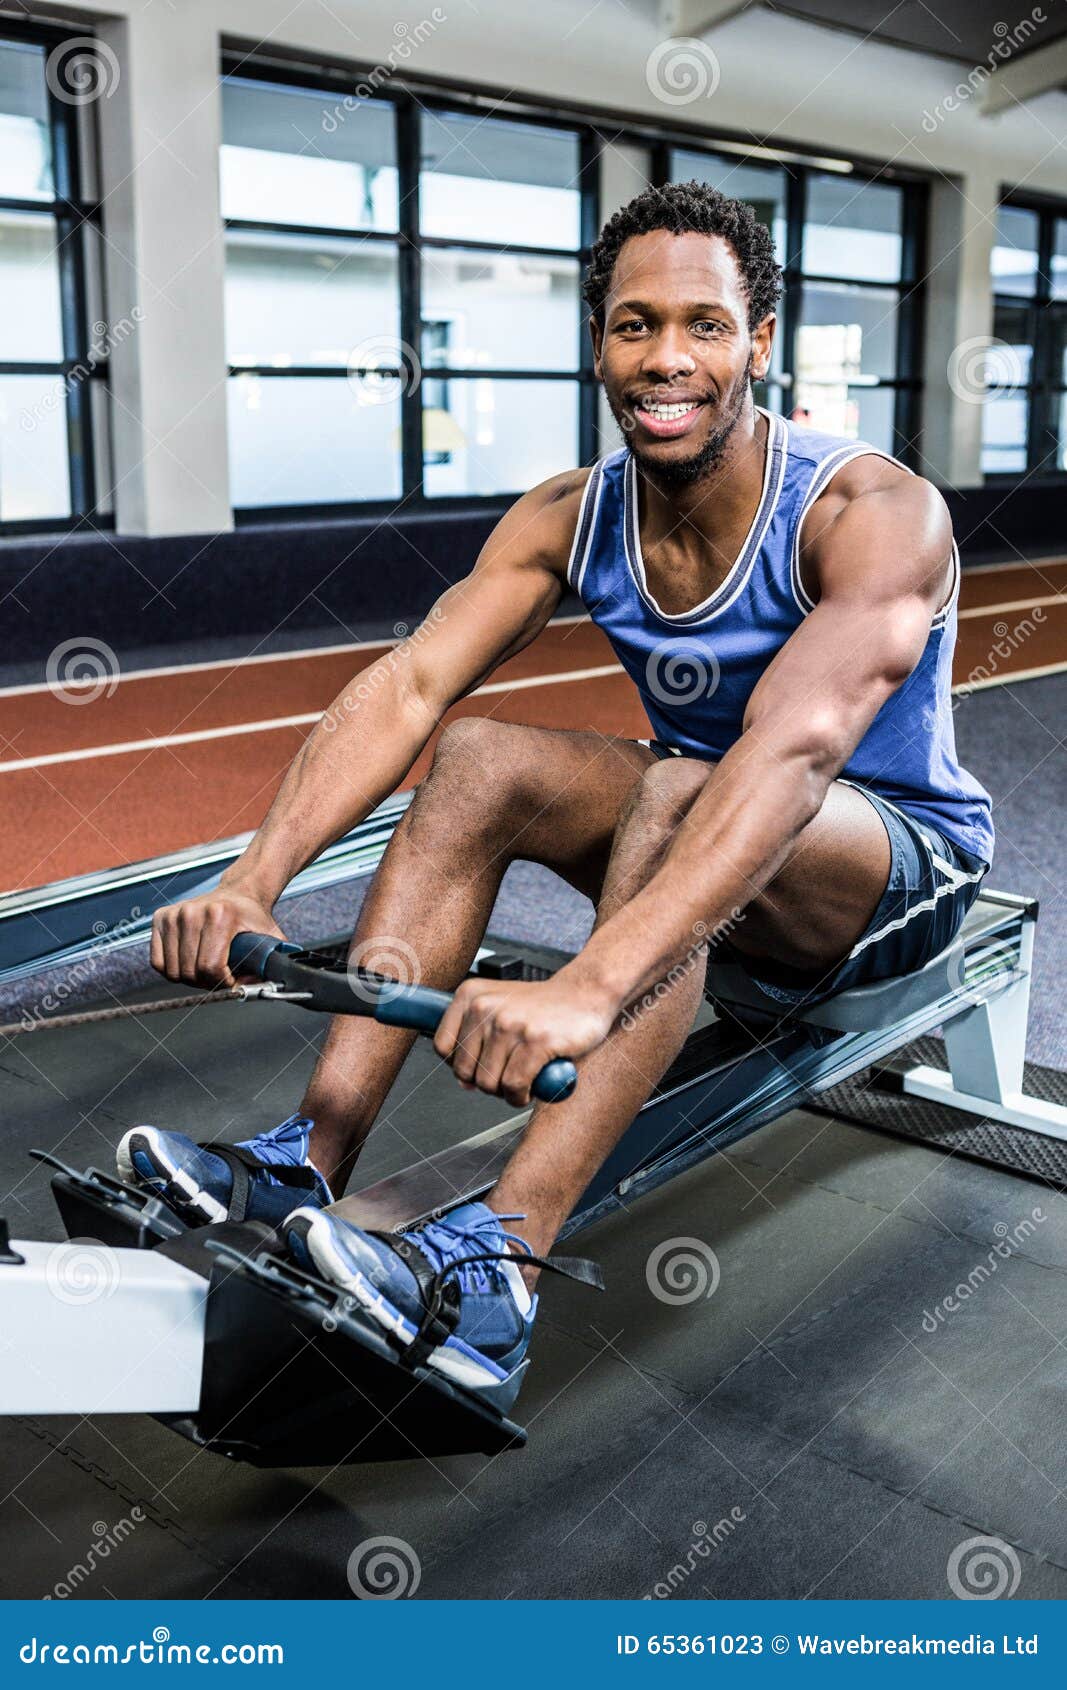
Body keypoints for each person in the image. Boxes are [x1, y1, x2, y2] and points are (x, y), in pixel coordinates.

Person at [119, 181, 993, 1395]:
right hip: (697, 842)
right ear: (597, 346)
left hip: (888, 877)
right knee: (479, 757)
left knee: (683, 791)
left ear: (758, 342)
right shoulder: (572, 515)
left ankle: (499, 1272)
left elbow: (786, 761)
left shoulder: (867, 511)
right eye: (634, 325)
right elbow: (413, 682)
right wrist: (252, 879)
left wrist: (592, 982)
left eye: (701, 323)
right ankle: (303, 1157)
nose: (664, 358)